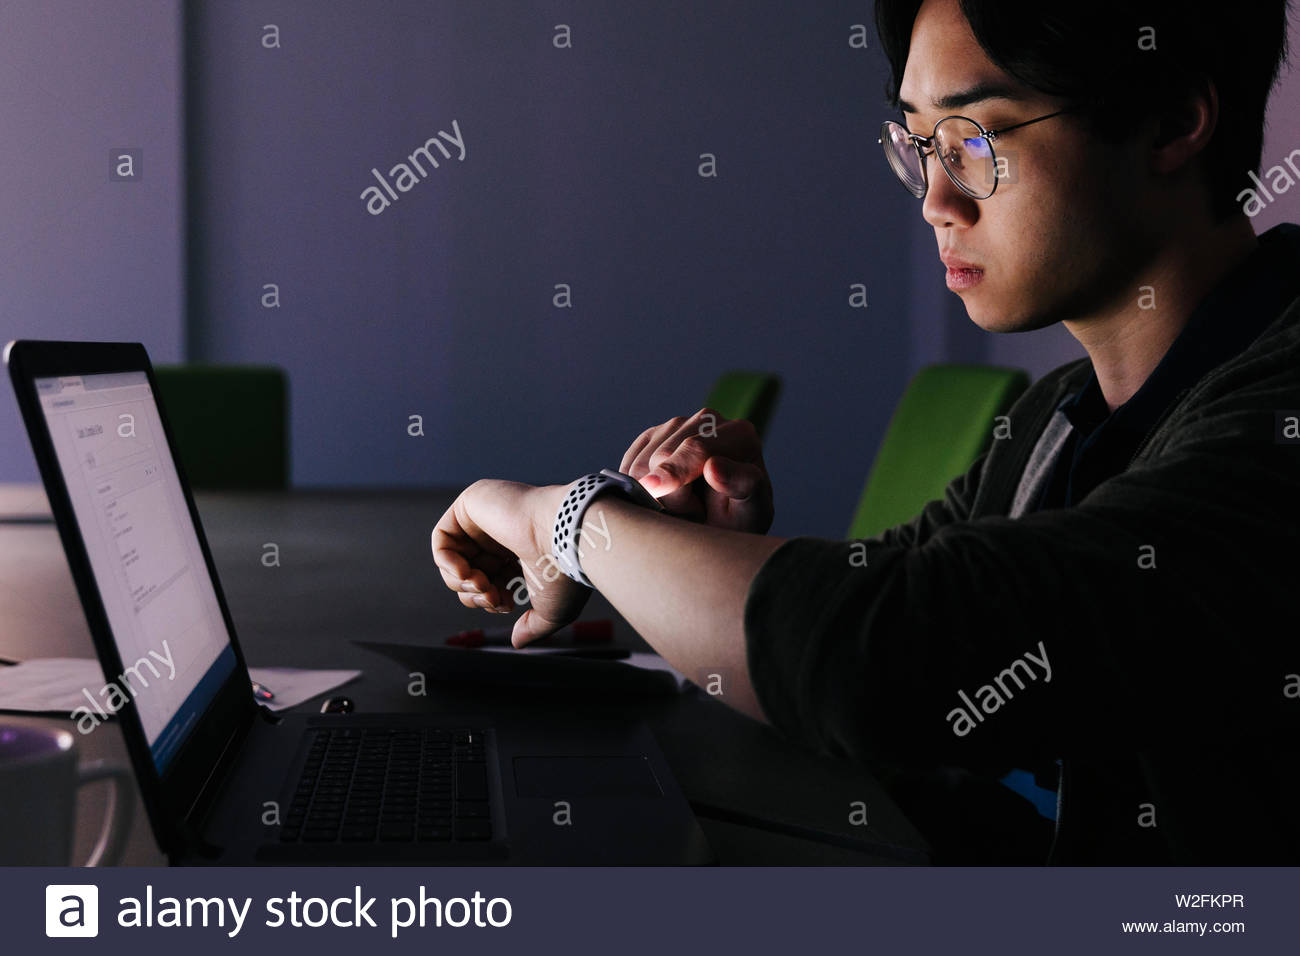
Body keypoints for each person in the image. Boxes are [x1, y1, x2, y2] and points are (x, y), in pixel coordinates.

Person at [430, 0, 1300, 863]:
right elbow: (890, 611)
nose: (936, 199)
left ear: (1171, 122)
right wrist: (701, 561)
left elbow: (891, 655)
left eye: (976, 137)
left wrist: (567, 520)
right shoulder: (1059, 417)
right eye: (921, 145)